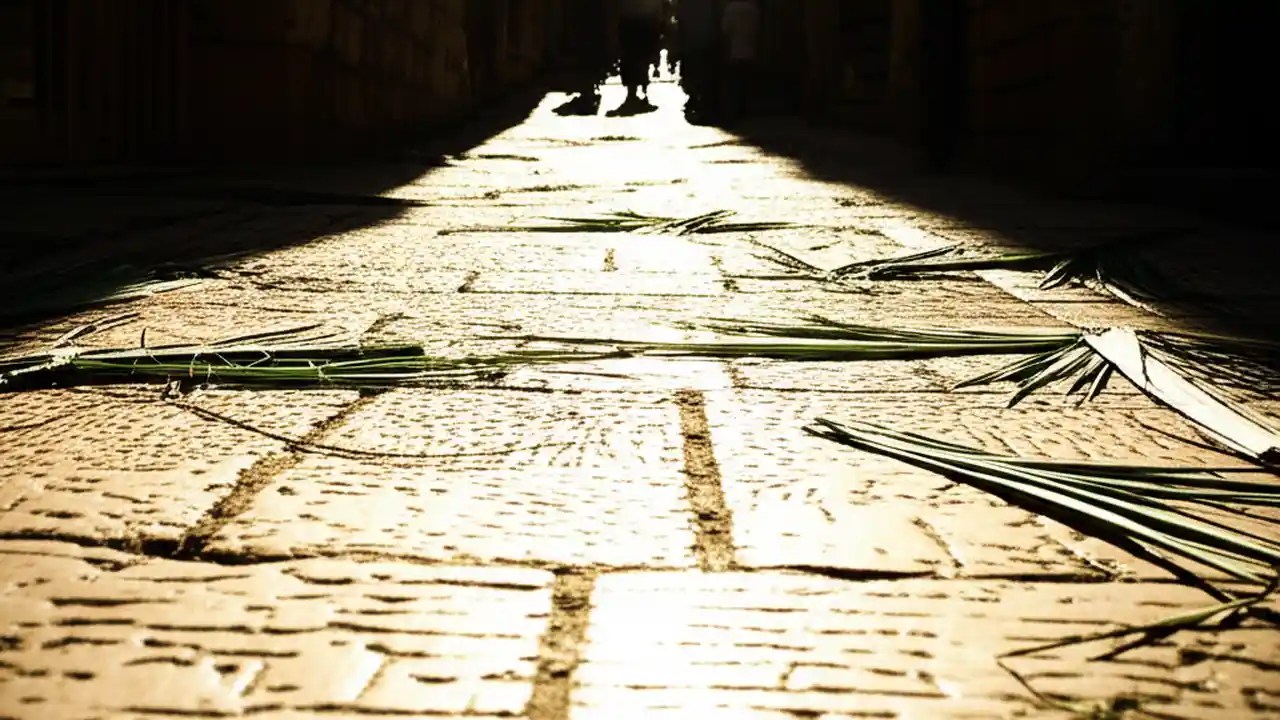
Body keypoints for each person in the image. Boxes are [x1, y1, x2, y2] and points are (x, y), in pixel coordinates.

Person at [609, 0, 664, 116]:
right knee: (639, 57)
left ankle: (634, 94)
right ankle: (638, 94)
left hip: (632, 17)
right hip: (642, 17)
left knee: (632, 57)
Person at [719, 0, 761, 124]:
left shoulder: (731, 8)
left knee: (734, 84)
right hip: (750, 51)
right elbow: (757, 30)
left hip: (734, 52)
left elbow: (726, 30)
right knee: (746, 83)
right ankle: (744, 111)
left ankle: (733, 113)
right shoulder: (753, 9)